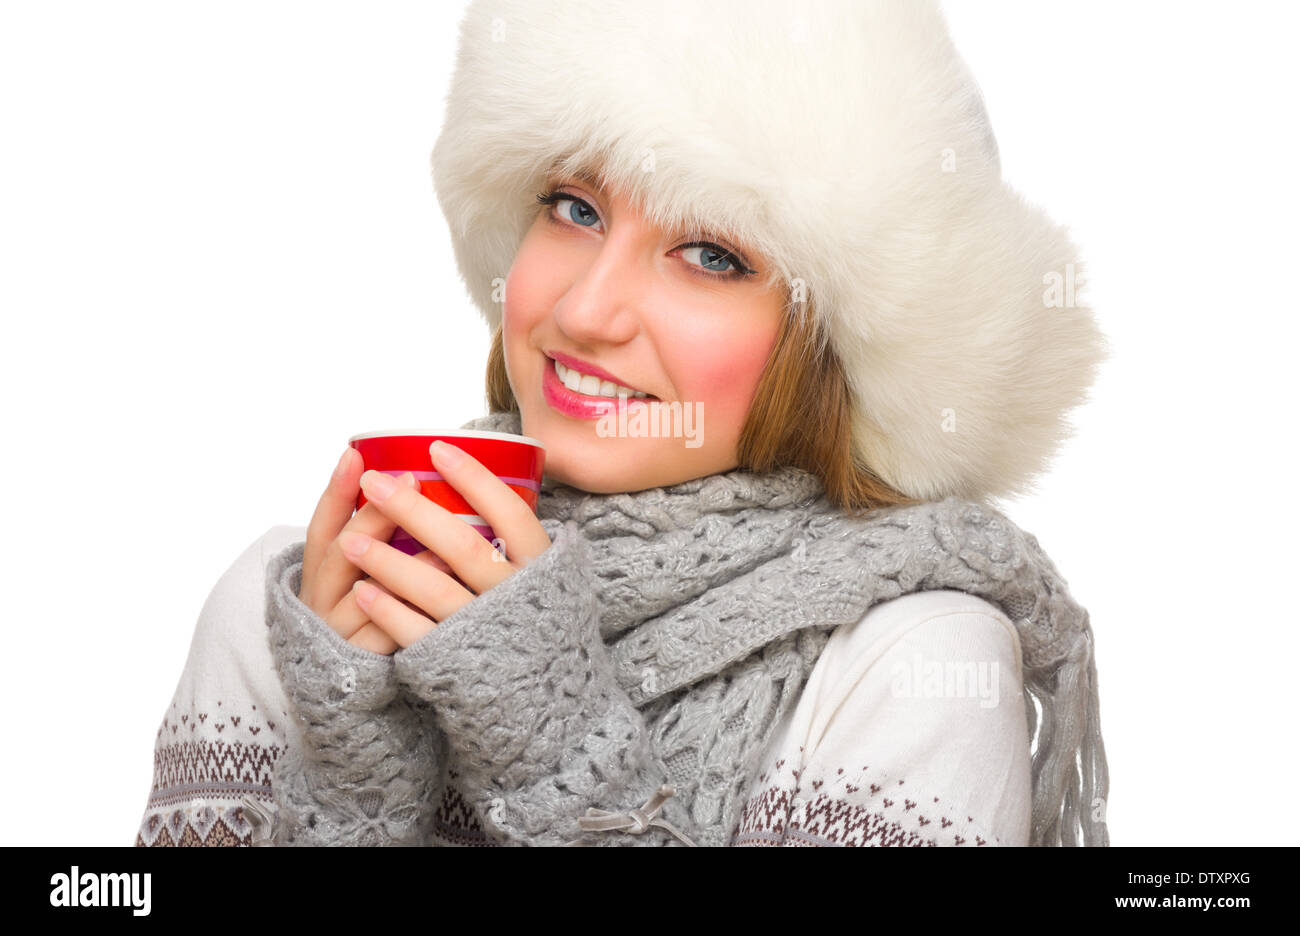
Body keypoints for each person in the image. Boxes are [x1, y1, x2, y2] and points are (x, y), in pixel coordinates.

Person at [135, 0, 1110, 847]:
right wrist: (351, 792)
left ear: (832, 348)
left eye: (711, 256)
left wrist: (552, 749)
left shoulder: (914, 661)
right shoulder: (295, 615)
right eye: (573, 207)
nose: (586, 312)